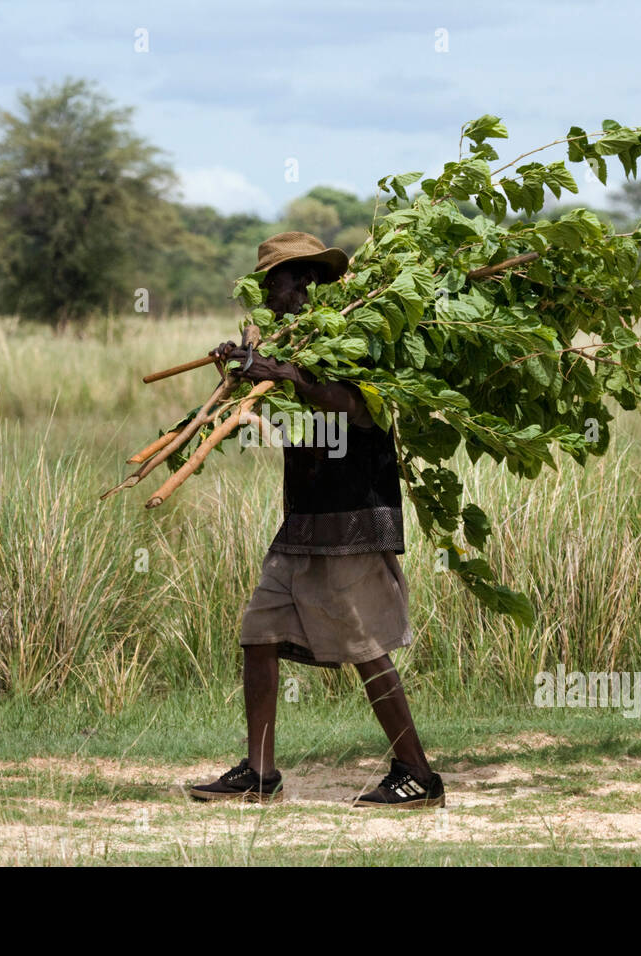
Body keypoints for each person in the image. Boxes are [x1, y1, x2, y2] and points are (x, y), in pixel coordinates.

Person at [188, 231, 444, 809]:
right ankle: (259, 773)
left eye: (312, 275)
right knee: (260, 632)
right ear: (266, 291)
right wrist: (244, 368)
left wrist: (279, 372)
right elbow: (282, 411)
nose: (303, 286)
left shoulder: (353, 336)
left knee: (363, 644)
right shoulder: (285, 342)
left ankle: (418, 774)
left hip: (353, 507)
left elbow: (352, 406)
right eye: (290, 277)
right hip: (304, 513)